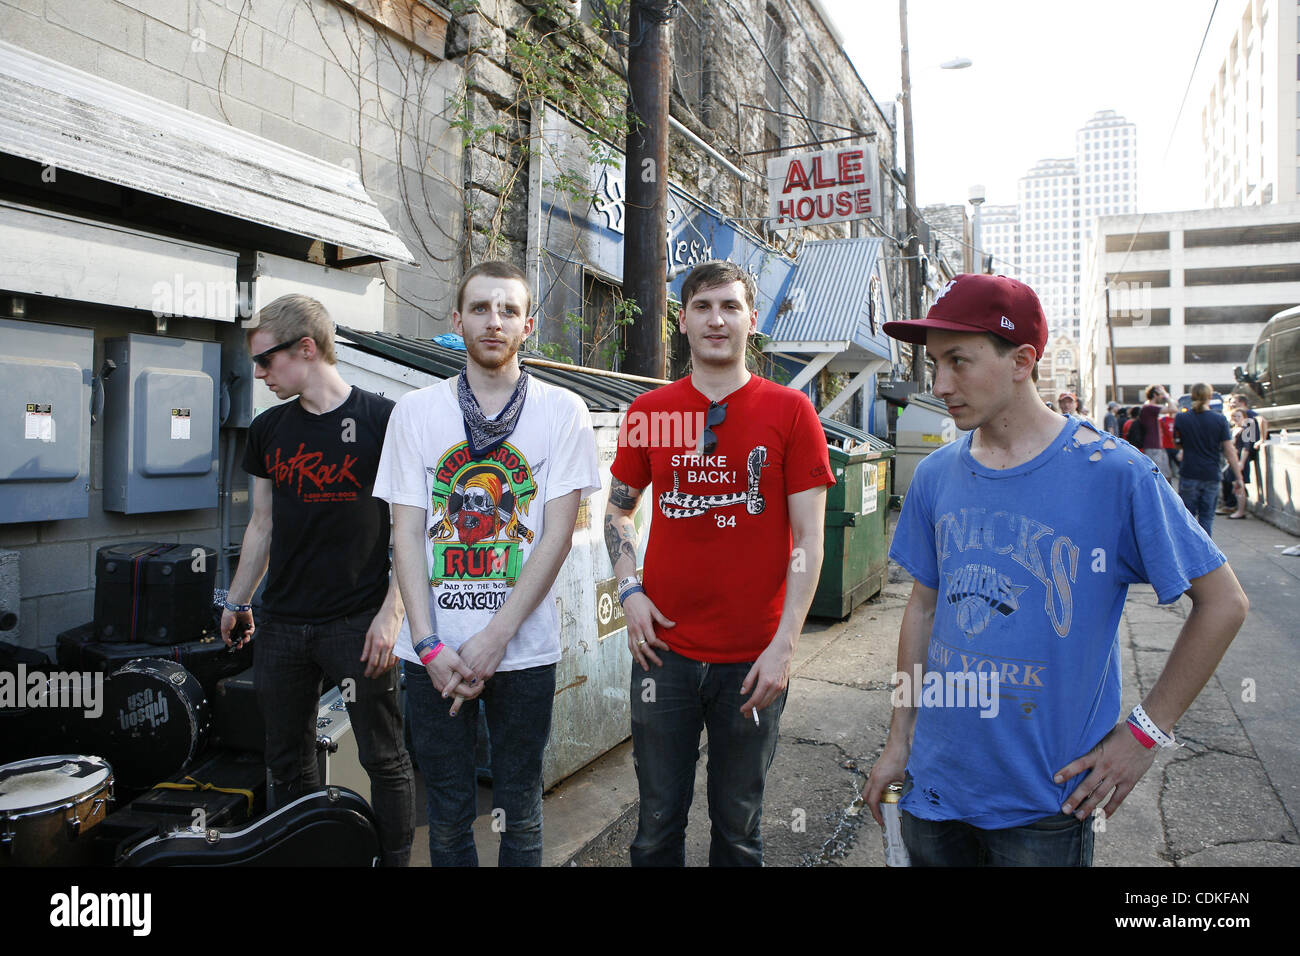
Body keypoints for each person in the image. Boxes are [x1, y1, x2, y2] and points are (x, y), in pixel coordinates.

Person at [863, 273, 1249, 867]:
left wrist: (1146, 733)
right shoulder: (937, 475)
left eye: (958, 361)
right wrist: (898, 741)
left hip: (1045, 803)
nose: (939, 384)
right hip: (931, 789)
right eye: (934, 363)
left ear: (1021, 361)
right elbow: (923, 606)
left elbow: (1223, 602)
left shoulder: (1114, 473)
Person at [605, 259, 833, 866]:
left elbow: (810, 537)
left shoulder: (790, 412)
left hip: (753, 661)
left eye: (730, 307)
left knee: (738, 833)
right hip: (665, 654)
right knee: (655, 829)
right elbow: (618, 512)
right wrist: (630, 593)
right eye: (703, 307)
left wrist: (786, 643)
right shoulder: (650, 412)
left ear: (751, 321)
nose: (716, 319)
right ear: (682, 321)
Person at [374, 260, 600, 866]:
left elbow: (555, 536)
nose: (493, 321)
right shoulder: (414, 413)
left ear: (528, 325)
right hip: (433, 655)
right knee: (446, 814)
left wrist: (496, 637)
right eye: (479, 308)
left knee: (520, 811)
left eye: (507, 310)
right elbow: (405, 535)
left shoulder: (563, 413)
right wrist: (426, 643)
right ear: (457, 320)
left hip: (523, 652)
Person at [221, 293, 415, 867]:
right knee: (286, 759)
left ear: (306, 348)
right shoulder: (268, 430)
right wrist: (237, 600)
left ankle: (394, 861)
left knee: (385, 758)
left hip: (358, 622)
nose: (258, 375)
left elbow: (414, 529)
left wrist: (393, 612)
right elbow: (261, 523)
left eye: (265, 361)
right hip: (281, 625)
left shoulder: (384, 420)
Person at [1174, 383, 1244, 536]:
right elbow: (1229, 450)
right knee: (1206, 518)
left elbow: (1177, 444)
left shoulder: (1181, 418)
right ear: (1210, 397)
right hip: (1211, 473)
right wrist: (1239, 477)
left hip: (1189, 472)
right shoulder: (1219, 420)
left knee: (1187, 518)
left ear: (1192, 397)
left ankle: (1187, 555)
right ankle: (1205, 555)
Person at [1138, 384, 1177, 480]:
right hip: (1153, 446)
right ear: (1155, 395)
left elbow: (1172, 409)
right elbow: (1173, 409)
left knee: (1165, 475)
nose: (1162, 397)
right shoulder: (1149, 407)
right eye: (1160, 395)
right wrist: (1166, 395)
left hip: (1156, 446)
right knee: (1157, 476)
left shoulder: (1148, 408)